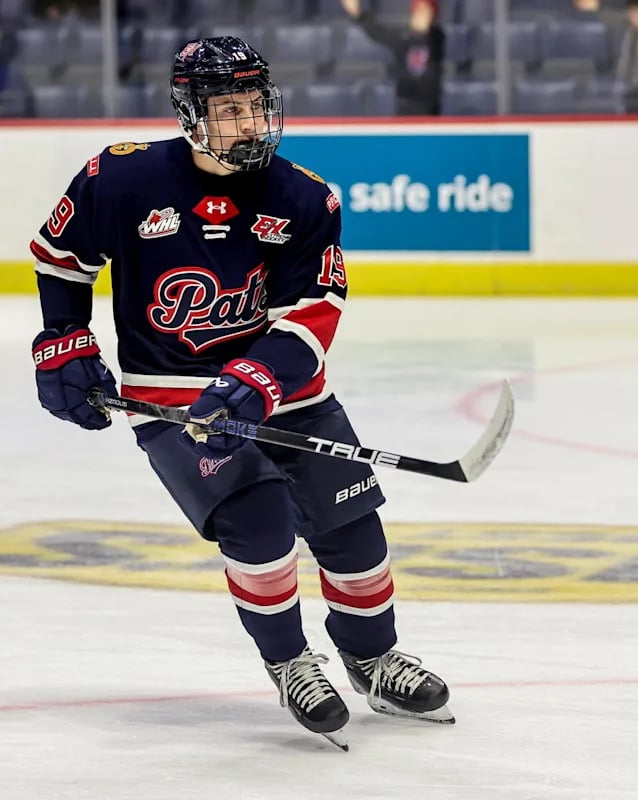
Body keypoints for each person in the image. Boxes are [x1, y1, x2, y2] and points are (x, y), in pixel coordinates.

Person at [27, 36, 453, 751]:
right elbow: (61, 256)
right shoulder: (118, 178)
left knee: (352, 529)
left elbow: (315, 309)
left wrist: (255, 381)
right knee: (256, 519)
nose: (250, 123)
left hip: (289, 393)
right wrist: (62, 339)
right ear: (190, 112)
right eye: (229, 109)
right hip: (174, 401)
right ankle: (289, 662)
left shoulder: (303, 195)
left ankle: (372, 656)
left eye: (256, 105)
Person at [339, 0, 444, 116]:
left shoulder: (438, 37)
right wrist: (357, 14)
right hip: (406, 107)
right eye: (420, 12)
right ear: (413, 14)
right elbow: (378, 31)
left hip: (431, 109)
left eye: (427, 13)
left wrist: (424, 30)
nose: (423, 16)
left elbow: (431, 41)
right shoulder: (401, 37)